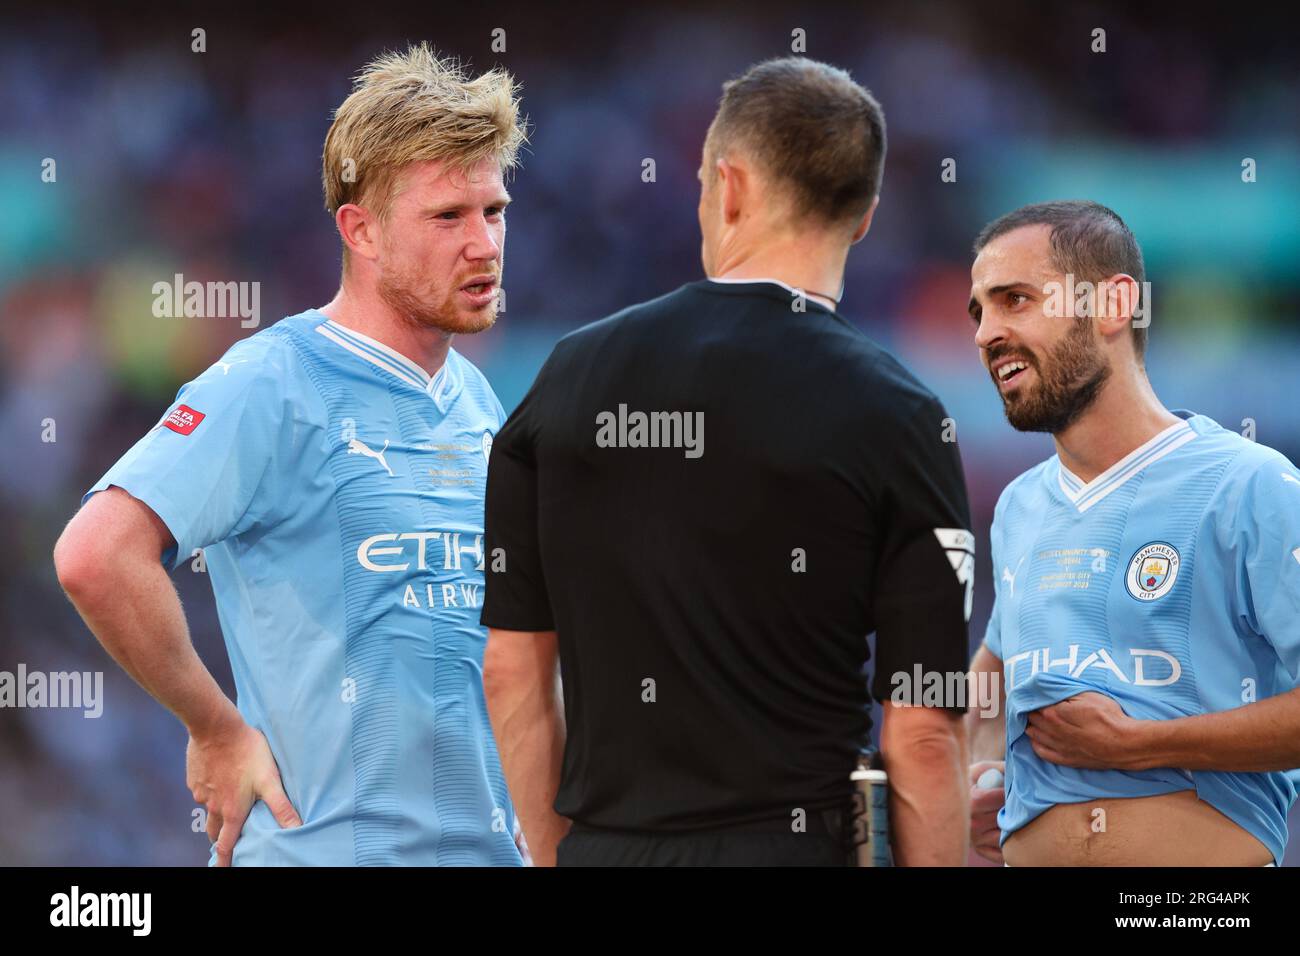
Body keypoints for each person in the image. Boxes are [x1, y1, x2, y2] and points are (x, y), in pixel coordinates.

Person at [481, 57, 972, 867]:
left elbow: (512, 670)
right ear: (863, 218)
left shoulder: (566, 377)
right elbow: (923, 729)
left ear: (731, 186)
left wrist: (566, 852)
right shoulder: (904, 416)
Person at [52, 44, 527, 866]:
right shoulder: (273, 380)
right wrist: (215, 728)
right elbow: (95, 556)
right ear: (361, 230)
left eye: (494, 211)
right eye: (449, 217)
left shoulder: (477, 402)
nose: (484, 244)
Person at [965, 200, 1300, 866]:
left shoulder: (1249, 484)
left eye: (1015, 300)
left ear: (1114, 305)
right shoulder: (1019, 508)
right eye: (979, 311)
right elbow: (992, 681)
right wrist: (984, 777)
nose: (985, 334)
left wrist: (1141, 745)